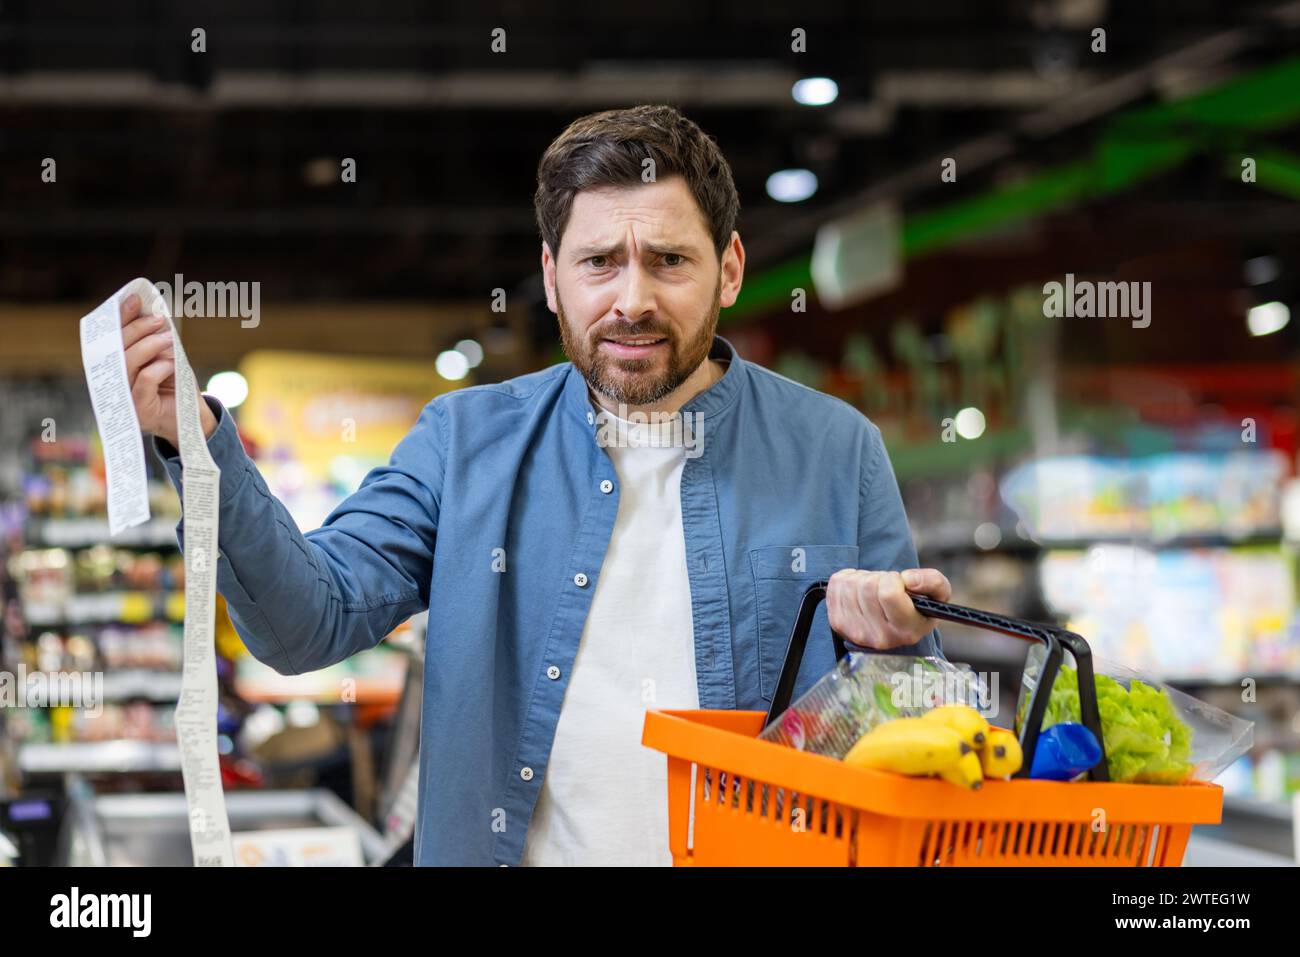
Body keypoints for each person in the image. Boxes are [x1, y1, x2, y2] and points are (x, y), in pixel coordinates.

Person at [119, 104, 951, 866]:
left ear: (729, 268)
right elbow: (307, 622)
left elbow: (921, 736)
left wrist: (891, 650)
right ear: (552, 276)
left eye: (669, 261)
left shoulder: (838, 451)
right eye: (599, 262)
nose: (633, 299)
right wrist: (193, 442)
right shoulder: (464, 443)